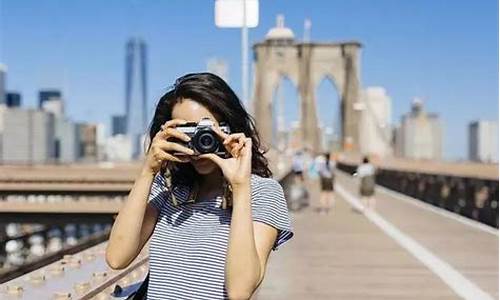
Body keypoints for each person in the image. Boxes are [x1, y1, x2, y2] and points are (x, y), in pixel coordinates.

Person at [105, 73, 294, 300]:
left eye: (208, 130)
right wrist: (148, 171)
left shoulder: (263, 192)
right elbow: (117, 258)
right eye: (187, 132)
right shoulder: (168, 189)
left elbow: (239, 291)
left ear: (230, 126)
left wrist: (240, 187)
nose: (199, 141)